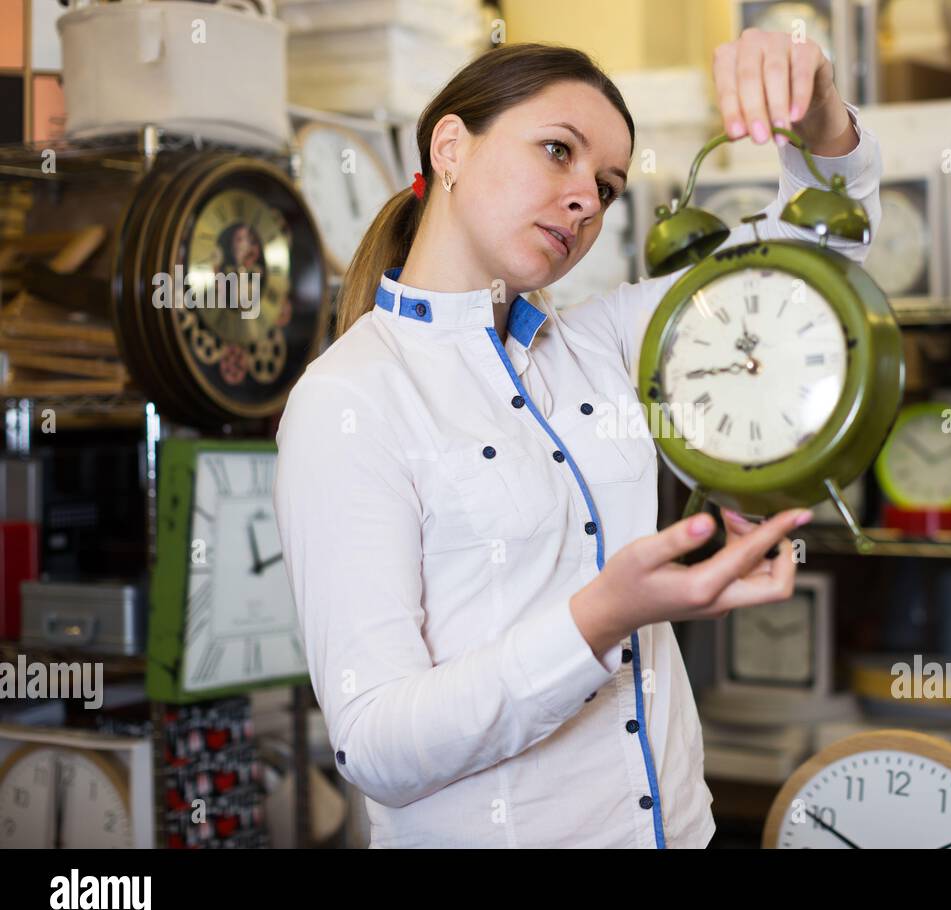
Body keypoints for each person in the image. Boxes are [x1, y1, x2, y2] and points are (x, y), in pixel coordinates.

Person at [273, 33, 882, 848]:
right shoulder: (347, 400)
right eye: (558, 151)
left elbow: (812, 268)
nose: (586, 201)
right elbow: (375, 742)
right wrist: (597, 620)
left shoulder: (606, 342)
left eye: (607, 185)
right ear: (450, 146)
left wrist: (821, 114)